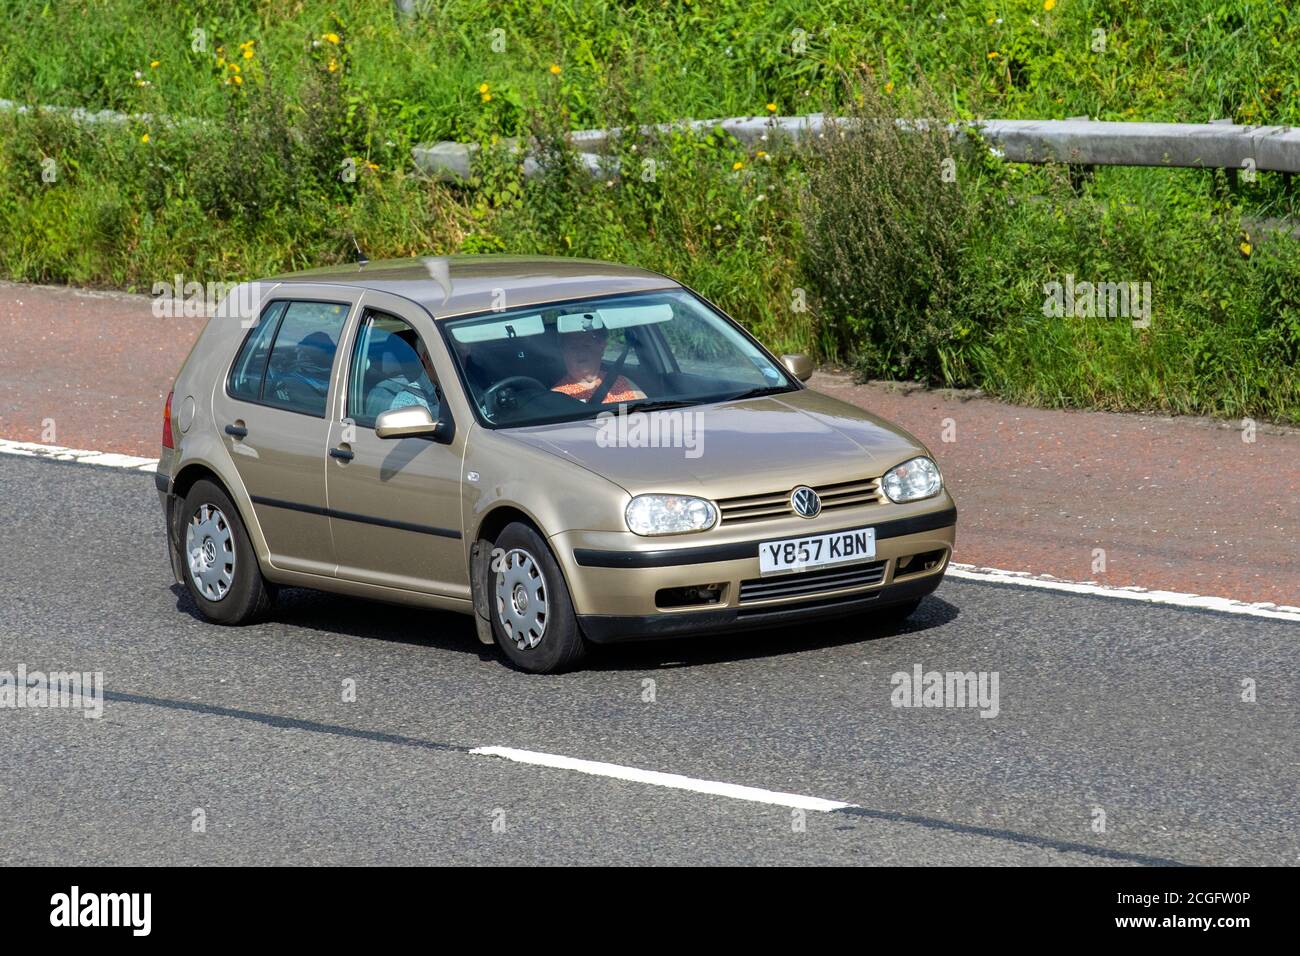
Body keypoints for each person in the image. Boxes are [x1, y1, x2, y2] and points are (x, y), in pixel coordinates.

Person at [551, 326, 646, 403]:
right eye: (573, 347)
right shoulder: (557, 397)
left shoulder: (623, 382)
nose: (580, 352)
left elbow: (648, 414)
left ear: (601, 347)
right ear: (563, 353)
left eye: (586, 345)